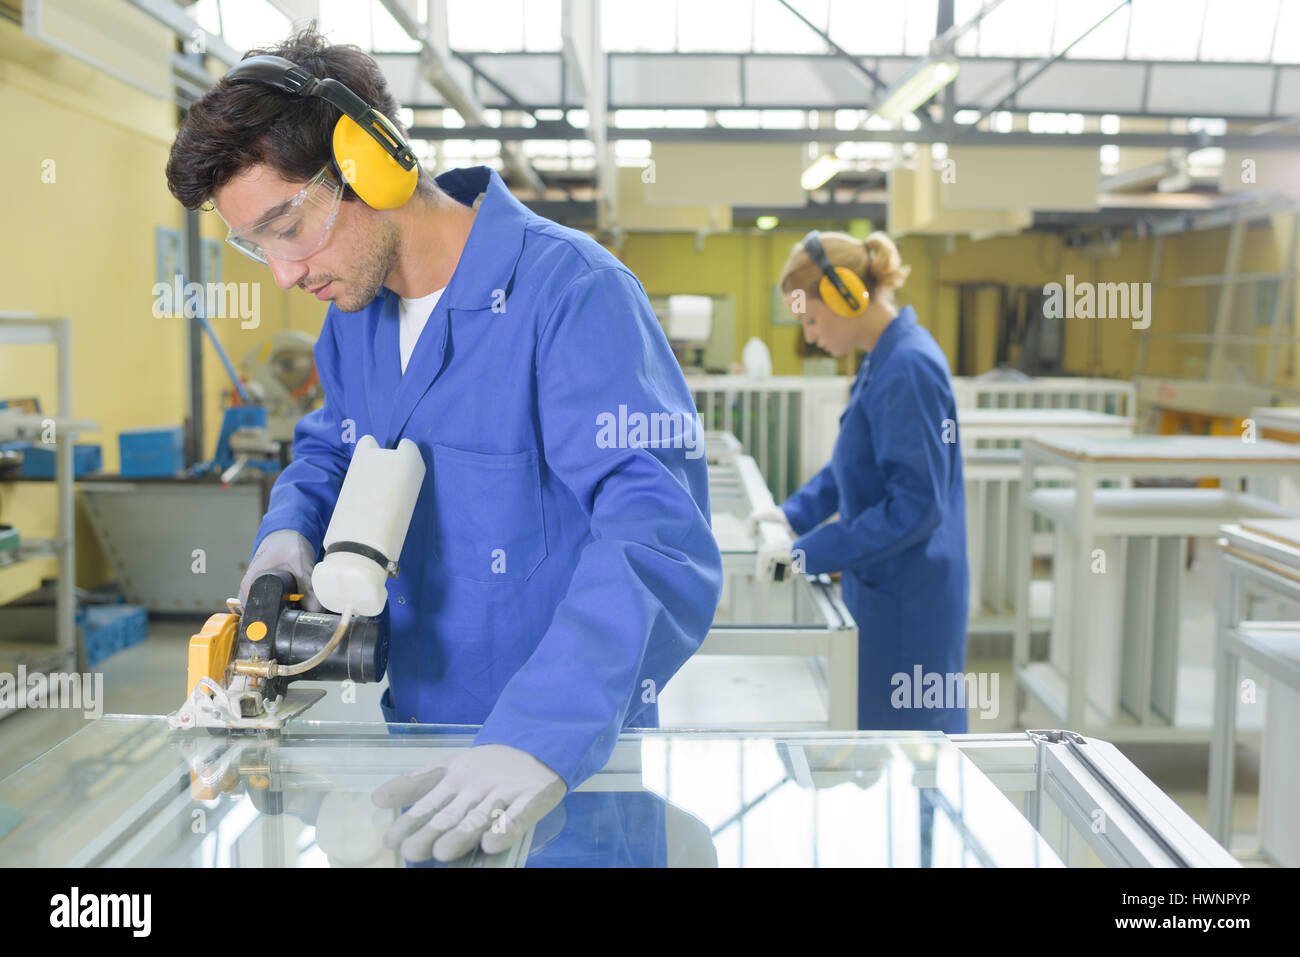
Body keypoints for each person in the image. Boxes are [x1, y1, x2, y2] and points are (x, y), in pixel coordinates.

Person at [165, 26, 722, 863]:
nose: (282, 273)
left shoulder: (572, 296)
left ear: (371, 162)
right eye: (256, 245)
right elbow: (332, 448)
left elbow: (657, 538)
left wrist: (539, 736)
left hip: (563, 771)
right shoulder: (354, 323)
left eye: (288, 224)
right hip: (416, 762)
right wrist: (290, 529)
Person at [751, 231, 968, 733]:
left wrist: (807, 552)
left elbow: (915, 507)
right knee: (876, 741)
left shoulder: (908, 367)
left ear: (846, 296)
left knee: (913, 752)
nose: (808, 335)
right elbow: (853, 463)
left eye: (809, 319)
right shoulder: (882, 361)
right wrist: (793, 514)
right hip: (885, 588)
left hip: (910, 604)